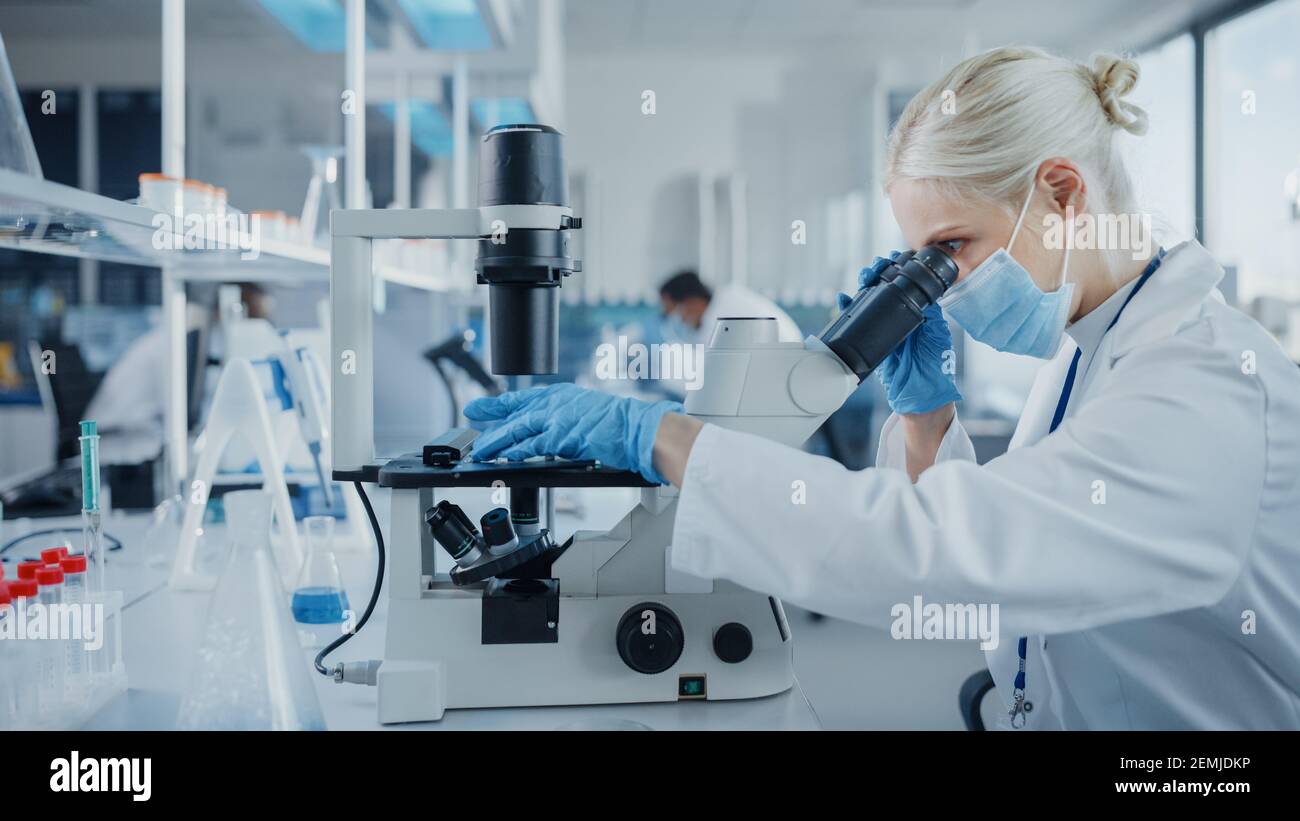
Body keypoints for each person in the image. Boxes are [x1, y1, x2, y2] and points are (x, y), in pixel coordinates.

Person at [463, 48, 1300, 729]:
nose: (940, 282)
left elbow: (940, 553)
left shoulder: (1203, 389)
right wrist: (927, 419)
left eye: (952, 247)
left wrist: (664, 437)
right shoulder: (1091, 349)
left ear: (1062, 193)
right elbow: (1018, 559)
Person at [659, 270, 801, 343]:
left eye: (676, 311)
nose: (681, 320)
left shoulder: (725, 315)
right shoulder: (724, 300)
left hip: (782, 367)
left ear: (692, 301)